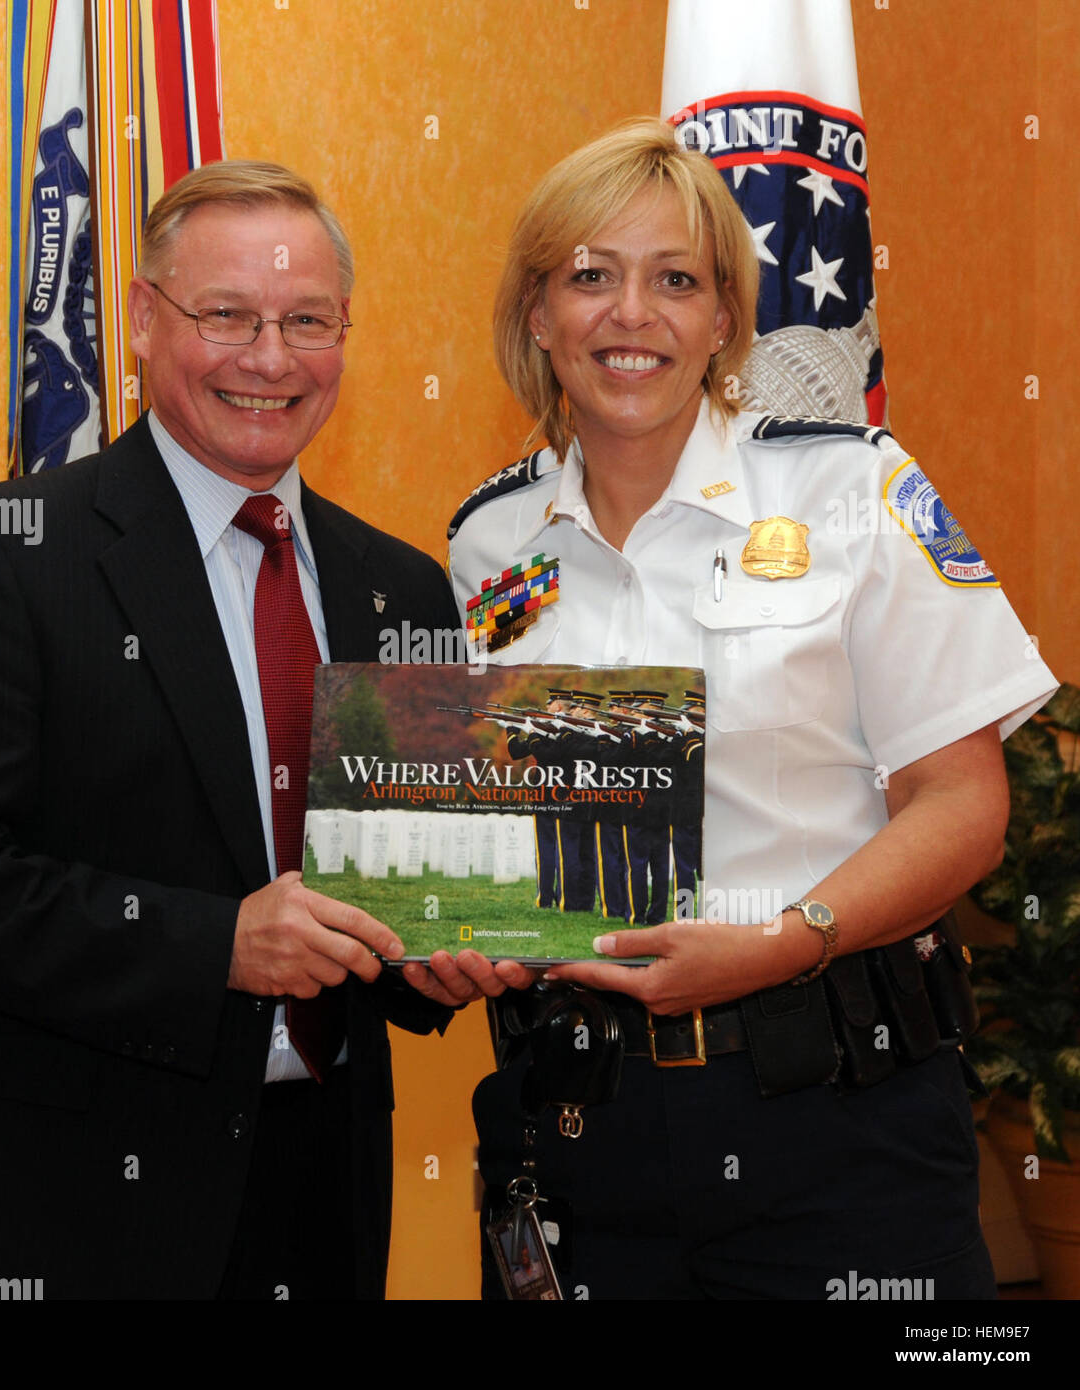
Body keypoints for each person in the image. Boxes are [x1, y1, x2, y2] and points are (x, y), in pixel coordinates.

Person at [0, 158, 517, 1300]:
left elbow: (405, 916)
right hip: (64, 1215)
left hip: (323, 1201)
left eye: (306, 319)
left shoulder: (398, 590)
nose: (270, 359)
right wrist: (213, 944)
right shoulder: (7, 552)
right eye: (227, 316)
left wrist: (444, 958)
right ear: (147, 322)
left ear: (345, 334)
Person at [447, 117, 1058, 1299]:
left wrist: (780, 942)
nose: (632, 314)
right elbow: (505, 829)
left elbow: (961, 805)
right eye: (590, 277)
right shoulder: (487, 542)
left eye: (675, 280)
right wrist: (454, 934)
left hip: (834, 1128)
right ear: (537, 314)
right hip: (584, 1133)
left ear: (723, 319)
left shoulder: (851, 487)